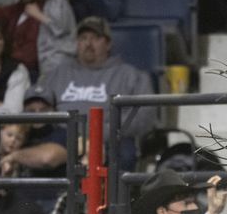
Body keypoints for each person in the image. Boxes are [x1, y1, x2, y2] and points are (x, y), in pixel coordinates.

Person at [37, 16, 154, 171]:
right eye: (83, 38)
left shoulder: (131, 75)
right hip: (65, 135)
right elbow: (37, 103)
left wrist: (101, 133)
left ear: (108, 44)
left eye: (96, 38)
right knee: (40, 152)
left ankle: (114, 196)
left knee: (125, 154)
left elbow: (144, 117)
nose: (88, 43)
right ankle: (50, 196)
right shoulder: (58, 73)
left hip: (112, 137)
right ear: (77, 43)